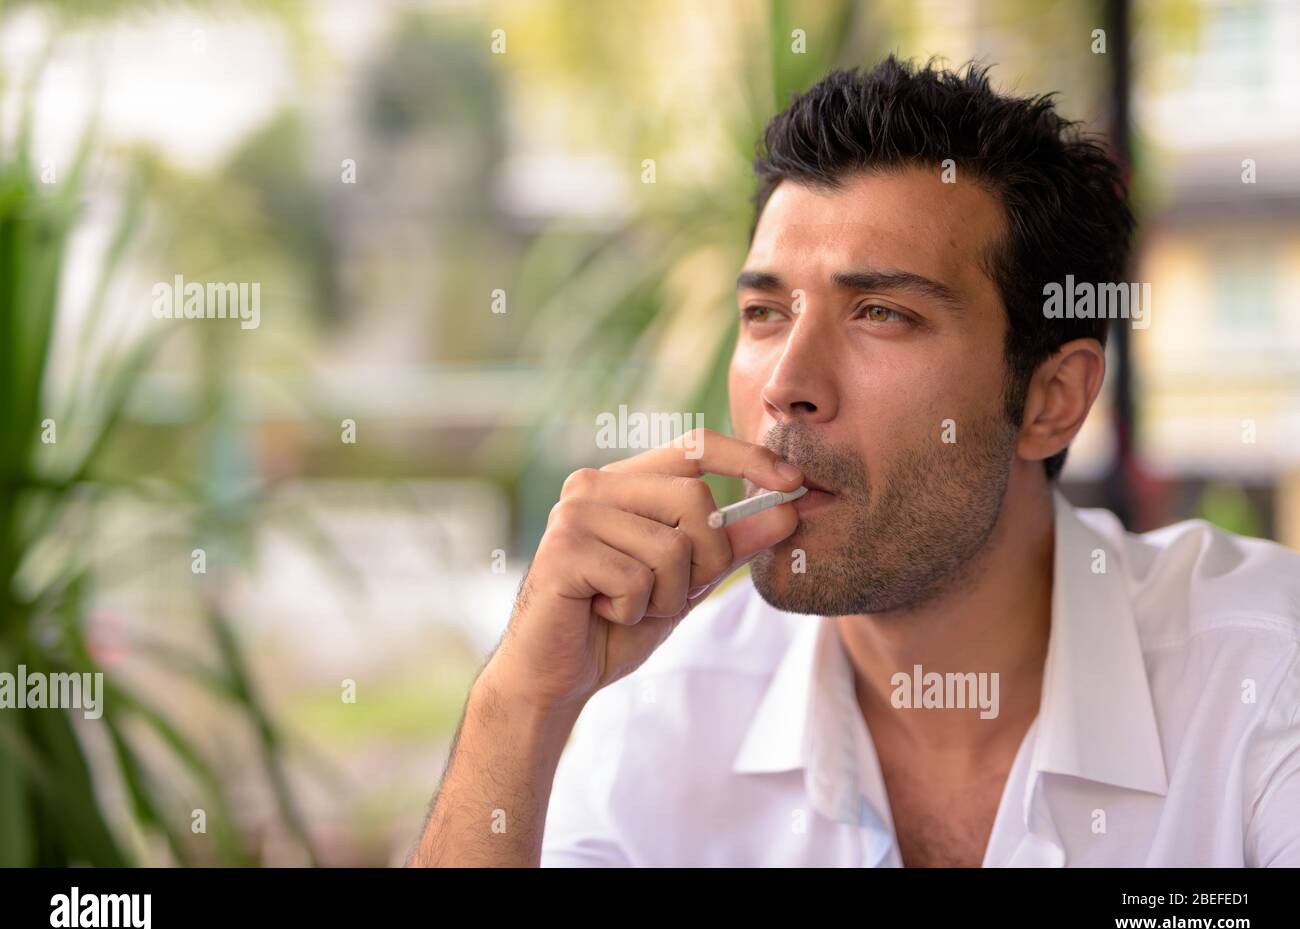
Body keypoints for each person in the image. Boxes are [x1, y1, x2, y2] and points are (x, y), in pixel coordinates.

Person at [409, 56, 1300, 867]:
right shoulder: (660, 714)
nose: (787, 385)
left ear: (1050, 399)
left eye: (881, 313)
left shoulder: (1259, 678)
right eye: (765, 313)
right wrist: (518, 704)